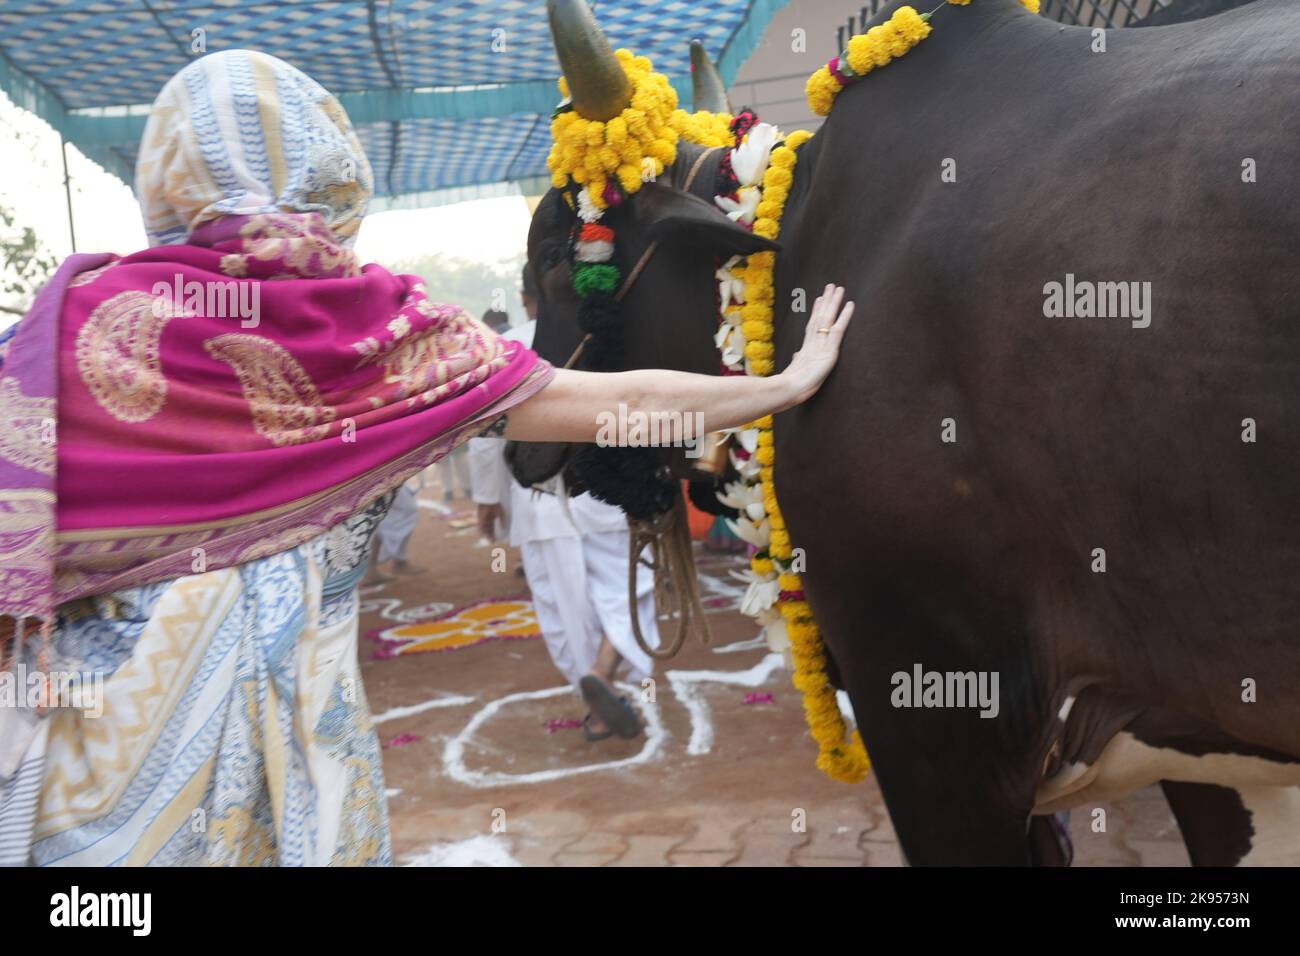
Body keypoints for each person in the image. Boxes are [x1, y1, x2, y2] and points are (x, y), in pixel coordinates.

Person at [0, 50, 853, 866]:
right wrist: (782, 386)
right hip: (302, 805)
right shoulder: (370, 328)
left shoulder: (61, 333)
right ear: (330, 165)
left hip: (86, 797)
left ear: (166, 174)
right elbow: (618, 408)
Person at [470, 263, 660, 741]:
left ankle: (595, 700)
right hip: (609, 495)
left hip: (541, 506)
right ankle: (603, 672)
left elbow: (485, 437)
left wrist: (488, 499)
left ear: (525, 295)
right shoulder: (607, 339)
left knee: (568, 613)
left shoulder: (505, 347)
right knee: (627, 595)